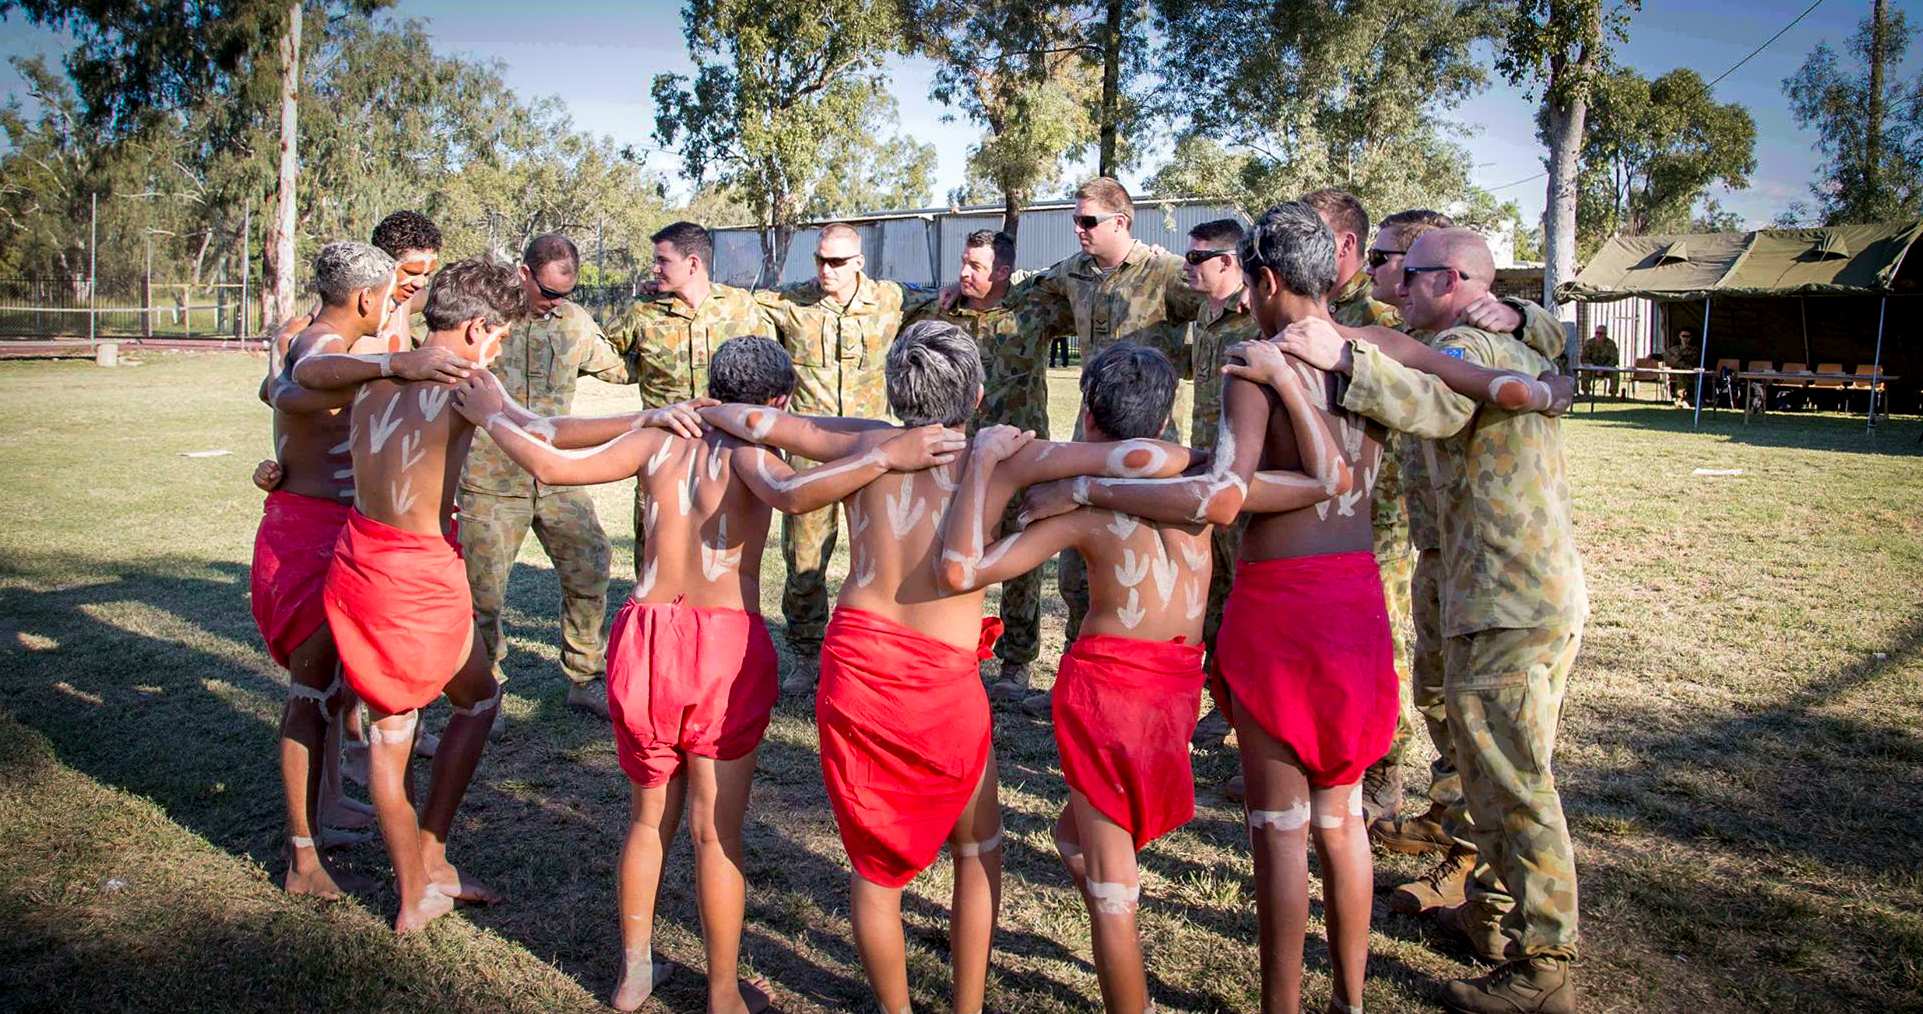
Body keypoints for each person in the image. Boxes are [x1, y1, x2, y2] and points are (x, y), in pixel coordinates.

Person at [451, 335, 962, 1013]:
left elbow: (553, 463)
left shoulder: (660, 438)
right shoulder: (753, 452)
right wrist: (883, 455)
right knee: (715, 830)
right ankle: (723, 992)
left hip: (645, 636)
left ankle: (634, 973)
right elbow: (792, 495)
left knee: (644, 822)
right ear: (777, 402)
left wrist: (492, 412)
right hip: (722, 648)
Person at [700, 321, 1196, 1014]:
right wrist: (1091, 485)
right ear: (980, 391)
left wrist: (701, 408)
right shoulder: (1003, 457)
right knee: (977, 845)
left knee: (874, 869)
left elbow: (758, 420)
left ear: (896, 388)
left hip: (857, 663)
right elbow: (1151, 456)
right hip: (941, 678)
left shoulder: (866, 440)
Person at [1022, 203, 1391, 1014]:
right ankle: (1352, 1001)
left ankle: (1281, 1006)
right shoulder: (1368, 355)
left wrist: (1086, 487)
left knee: (1280, 825)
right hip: (1357, 598)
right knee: (1343, 815)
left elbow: (1220, 497)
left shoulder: (1252, 363)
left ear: (1261, 279)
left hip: (1284, 605)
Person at [936, 340, 1350, 1013]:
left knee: (1110, 886)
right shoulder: (1207, 487)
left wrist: (984, 468)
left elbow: (962, 571)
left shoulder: (1086, 510)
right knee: (1074, 837)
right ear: (1163, 419)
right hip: (1174, 690)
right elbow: (1323, 480)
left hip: (1107, 692)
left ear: (1089, 423)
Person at [1278, 227, 1588, 1014]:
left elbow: (1424, 401)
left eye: (1406, 272)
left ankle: (1545, 967)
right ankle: (1489, 920)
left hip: (1503, 599)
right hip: (1502, 591)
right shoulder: (1477, 337)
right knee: (1487, 767)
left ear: (1449, 279)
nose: (1393, 282)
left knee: (1514, 781)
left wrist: (1341, 361)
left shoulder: (1467, 346)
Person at [252, 241, 469, 898]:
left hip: (331, 530)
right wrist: (402, 363)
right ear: (368, 299)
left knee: (331, 691)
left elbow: (284, 389)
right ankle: (301, 859)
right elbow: (307, 377)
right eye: (395, 292)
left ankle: (323, 813)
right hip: (309, 535)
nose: (400, 302)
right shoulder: (323, 344)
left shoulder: (331, 351)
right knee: (311, 693)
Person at [319, 255, 530, 933]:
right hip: (412, 572)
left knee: (476, 695)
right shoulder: (464, 378)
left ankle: (432, 857)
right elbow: (542, 437)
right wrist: (648, 424)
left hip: (361, 559)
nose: (497, 349)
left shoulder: (379, 370)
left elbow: (298, 374)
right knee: (393, 735)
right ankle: (415, 892)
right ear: (476, 329)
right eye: (498, 336)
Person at [1003, 177, 1205, 713]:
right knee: (1076, 570)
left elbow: (1215, 308)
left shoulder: (1165, 273)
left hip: (1151, 446)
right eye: (1077, 219)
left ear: (1122, 221)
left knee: (1150, 573)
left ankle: (1160, 689)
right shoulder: (1073, 272)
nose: (1079, 229)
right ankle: (1077, 676)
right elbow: (1023, 295)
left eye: (1088, 221)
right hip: (1090, 439)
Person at [458, 233, 632, 721]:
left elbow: (623, 366)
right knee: (483, 591)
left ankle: (585, 677)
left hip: (557, 474)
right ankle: (483, 684)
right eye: (549, 291)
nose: (558, 301)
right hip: (492, 476)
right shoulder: (486, 321)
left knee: (590, 564)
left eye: (566, 292)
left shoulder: (574, 322)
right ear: (523, 273)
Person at [754, 223, 933, 692]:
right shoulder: (792, 303)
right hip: (812, 457)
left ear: (858, 263)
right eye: (819, 260)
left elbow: (945, 302)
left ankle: (878, 647)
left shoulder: (891, 300)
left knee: (881, 559)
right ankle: (805, 654)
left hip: (875, 456)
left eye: (836, 261)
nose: (825, 270)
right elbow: (734, 306)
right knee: (804, 560)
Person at [906, 229, 1049, 700]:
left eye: (976, 267)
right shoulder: (942, 311)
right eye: (963, 263)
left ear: (1004, 272)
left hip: (1018, 454)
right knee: (945, 548)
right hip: (954, 453)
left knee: (1018, 555)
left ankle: (1015, 662)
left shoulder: (1035, 308)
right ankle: (943, 643)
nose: (964, 273)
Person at [604, 220, 777, 586]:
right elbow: (607, 358)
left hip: (727, 455)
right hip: (665, 454)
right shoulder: (642, 313)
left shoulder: (741, 307)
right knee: (654, 554)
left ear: (693, 263)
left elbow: (771, 362)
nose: (655, 268)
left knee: (724, 556)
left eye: (663, 261)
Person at [1580, 325, 1620, 397]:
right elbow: (1584, 358)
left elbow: (1614, 359)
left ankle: (1613, 394)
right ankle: (1586, 393)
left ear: (1605, 334)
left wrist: (1604, 368)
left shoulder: (1611, 344)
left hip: (1606, 369)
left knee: (1615, 372)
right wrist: (1593, 367)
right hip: (1592, 368)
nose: (1598, 335)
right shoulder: (1589, 343)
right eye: (1596, 333)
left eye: (1601, 333)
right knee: (1585, 371)